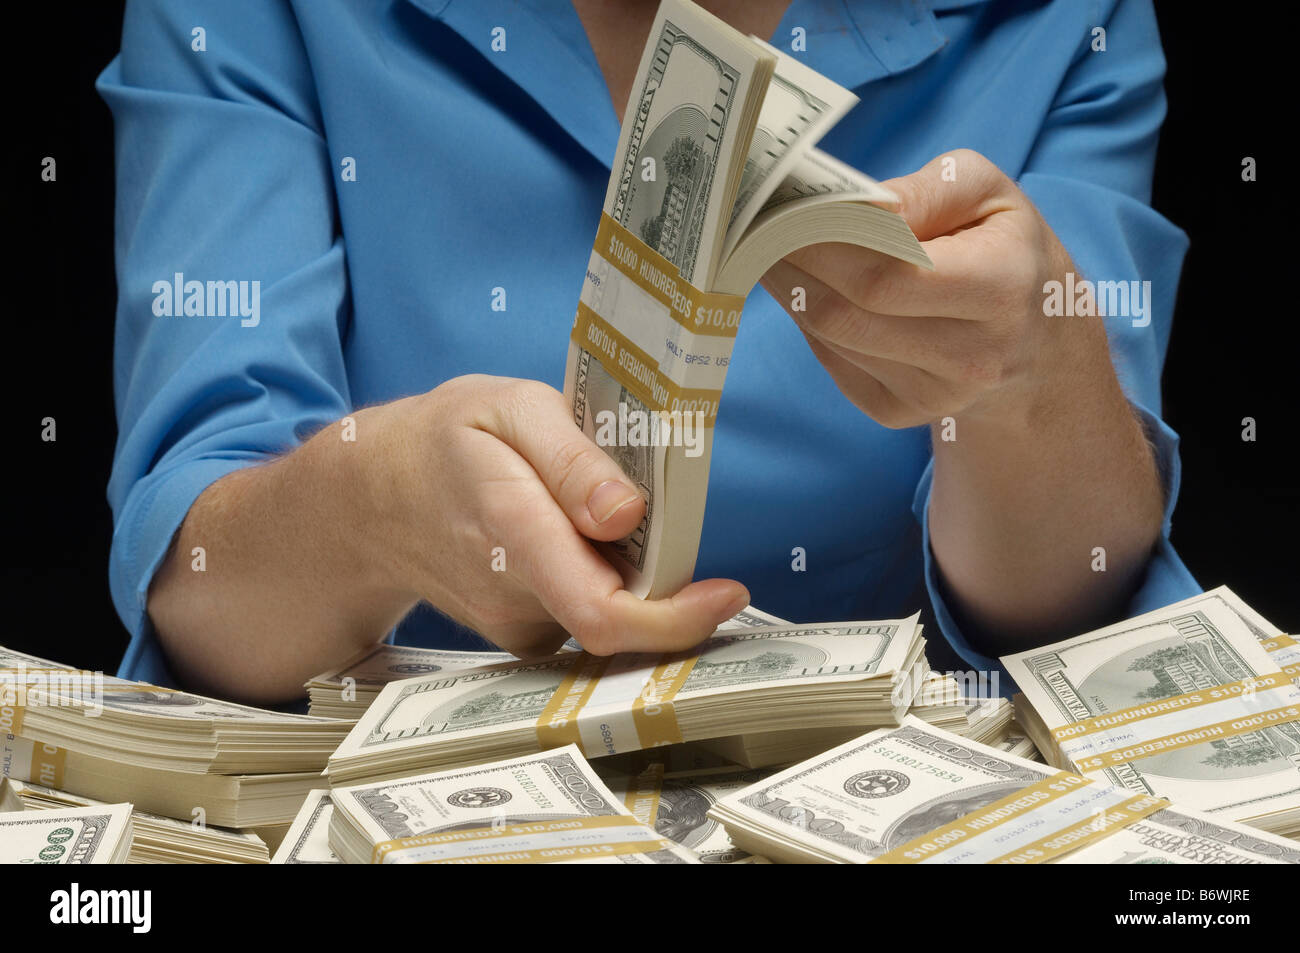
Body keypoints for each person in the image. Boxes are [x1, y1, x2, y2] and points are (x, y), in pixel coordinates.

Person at [97, 0, 1197, 704]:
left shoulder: (1060, 18)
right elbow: (198, 585)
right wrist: (369, 503)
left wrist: (1031, 396)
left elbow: (1069, 603)